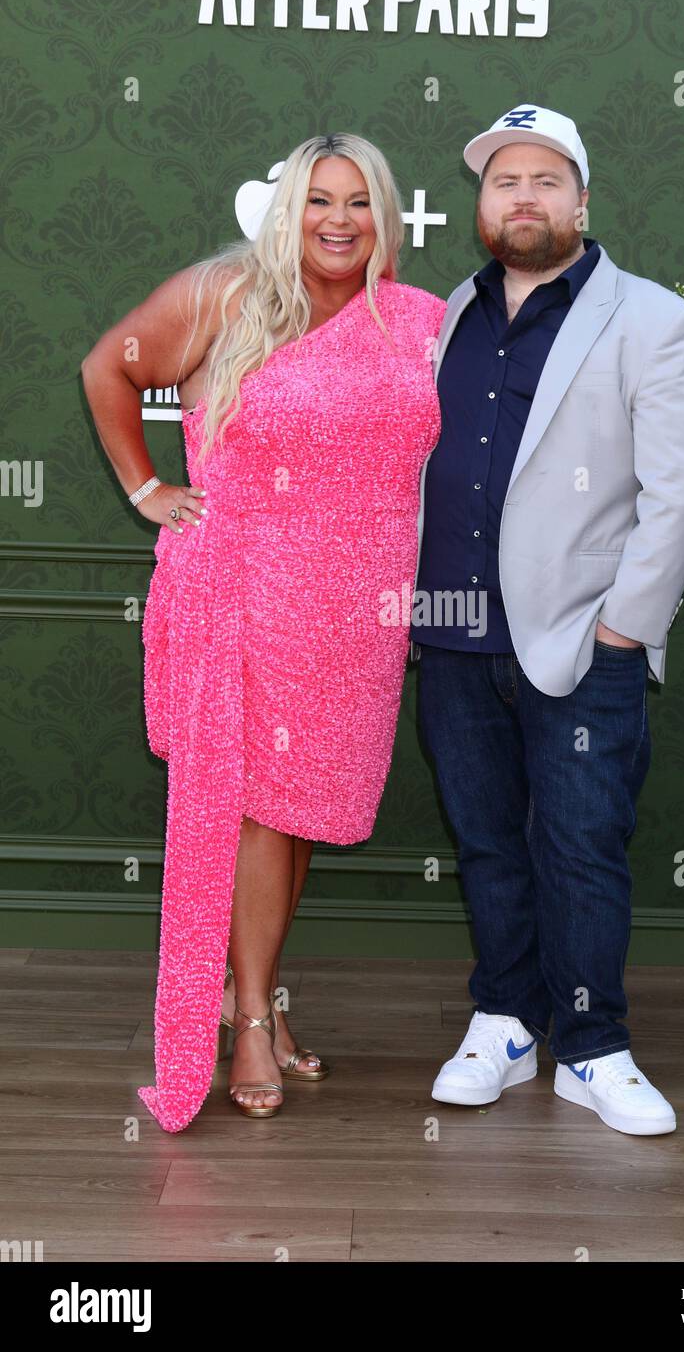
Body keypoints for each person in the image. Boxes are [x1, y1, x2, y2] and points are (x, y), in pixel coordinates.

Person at [81, 134, 446, 1130]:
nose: (338, 221)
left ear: (386, 217)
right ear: (288, 210)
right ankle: (246, 1020)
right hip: (239, 590)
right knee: (253, 809)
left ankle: (267, 996)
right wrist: (148, 486)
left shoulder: (417, 320)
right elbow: (107, 368)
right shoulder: (223, 294)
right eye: (319, 200)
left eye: (359, 202)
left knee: (300, 809)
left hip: (358, 611)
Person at [410, 104, 684, 1136]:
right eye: (504, 182)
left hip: (583, 636)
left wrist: (623, 628)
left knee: (581, 845)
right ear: (481, 206)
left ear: (580, 198)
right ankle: (503, 1021)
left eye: (545, 179)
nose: (524, 197)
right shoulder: (447, 312)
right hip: (452, 635)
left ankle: (591, 1048)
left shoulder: (652, 319)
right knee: (489, 843)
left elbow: (680, 492)